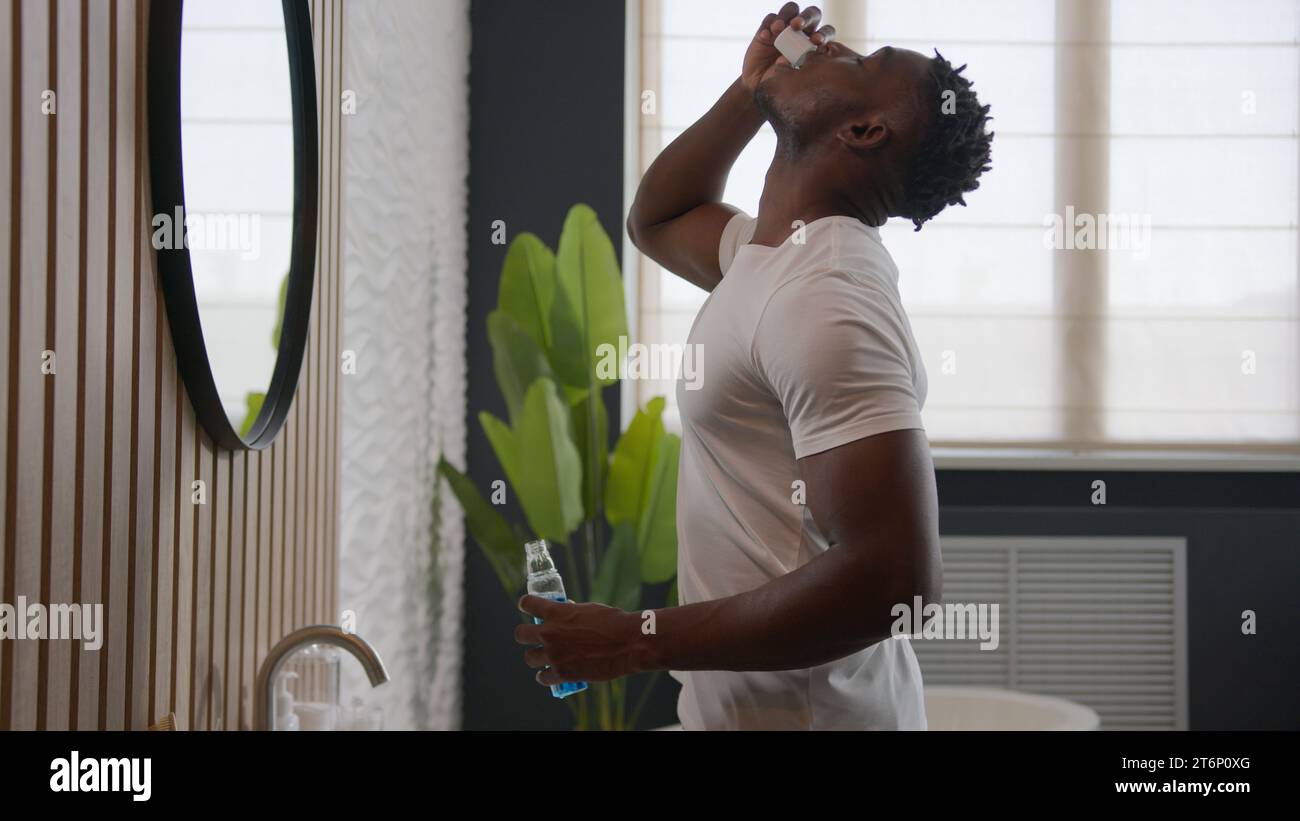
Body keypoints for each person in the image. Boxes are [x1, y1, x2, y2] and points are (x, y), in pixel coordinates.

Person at [515, 3, 993, 730]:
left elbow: (898, 580)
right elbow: (659, 218)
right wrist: (751, 90)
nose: (833, 49)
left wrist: (633, 638)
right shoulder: (768, 256)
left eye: (860, 65)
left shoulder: (827, 294)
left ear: (863, 131)